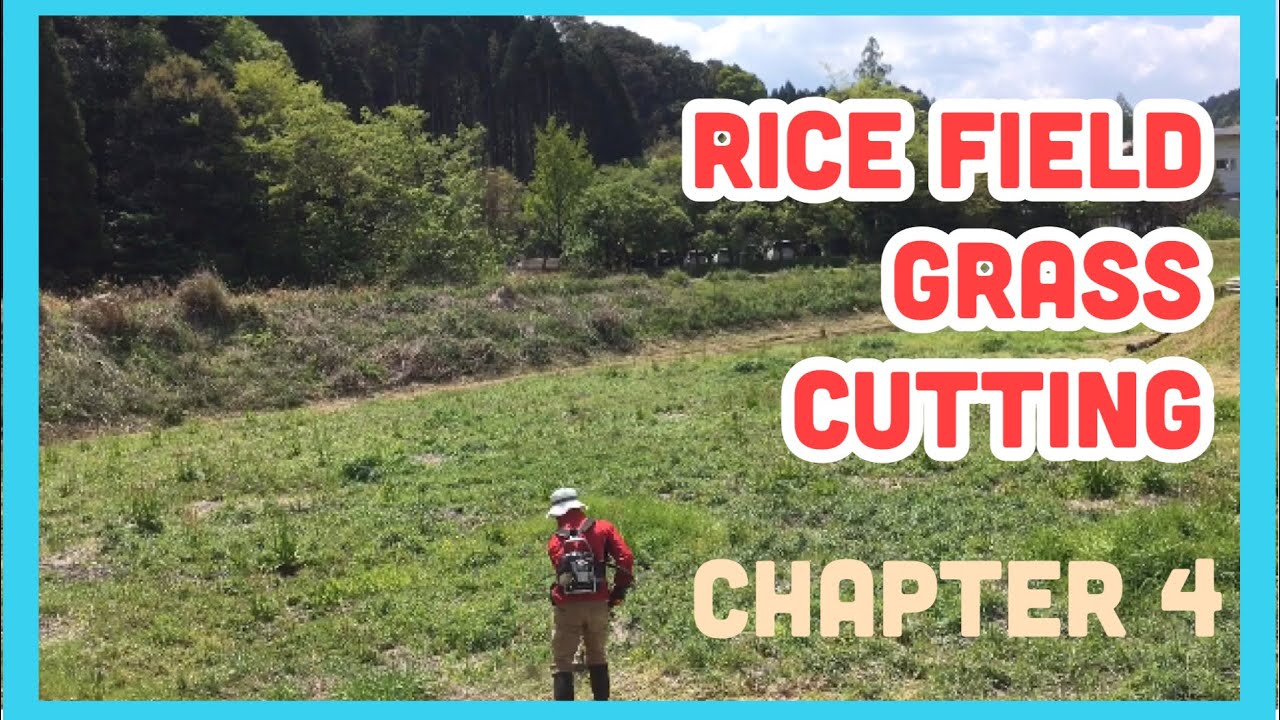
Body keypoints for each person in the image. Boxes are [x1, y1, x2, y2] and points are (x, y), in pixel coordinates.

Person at [546, 487, 634, 701]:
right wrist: (618, 591)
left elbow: (561, 573)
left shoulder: (555, 541)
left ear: (558, 513)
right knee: (597, 655)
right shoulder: (604, 528)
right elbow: (625, 558)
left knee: (563, 661)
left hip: (567, 606)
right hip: (599, 603)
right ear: (578, 506)